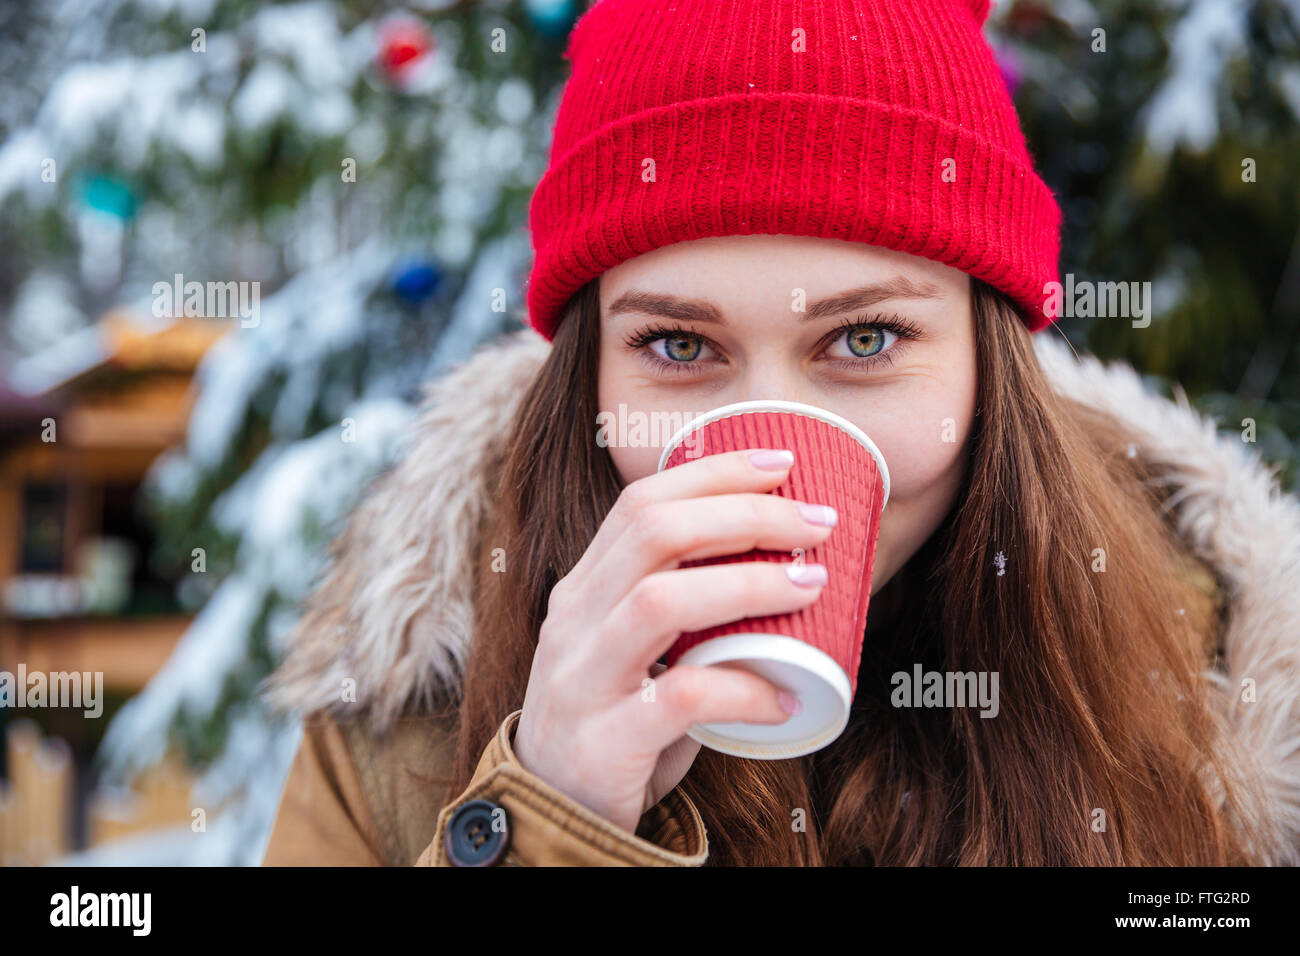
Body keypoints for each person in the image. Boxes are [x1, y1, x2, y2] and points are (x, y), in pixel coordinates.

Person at [260, 0, 1300, 866]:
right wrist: (543, 817)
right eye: (677, 345)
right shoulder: (400, 725)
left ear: (991, 365)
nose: (770, 455)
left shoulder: (1227, 692)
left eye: (864, 336)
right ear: (589, 375)